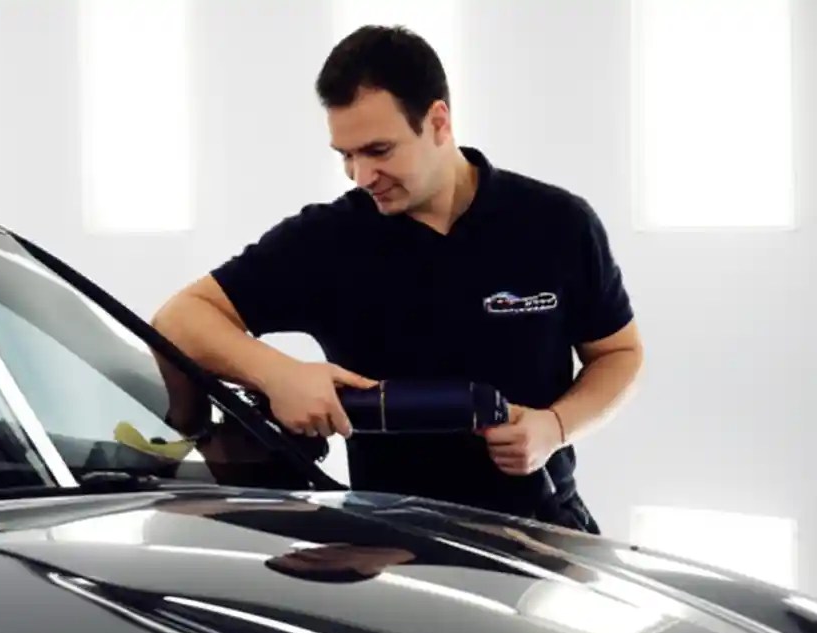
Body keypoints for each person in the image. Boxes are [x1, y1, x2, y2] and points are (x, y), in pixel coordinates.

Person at [150, 25, 644, 533]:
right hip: (391, 546)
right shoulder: (328, 240)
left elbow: (619, 354)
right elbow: (178, 319)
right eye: (345, 154)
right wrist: (279, 376)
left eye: (378, 150)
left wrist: (556, 426)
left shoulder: (556, 223)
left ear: (437, 122)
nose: (360, 176)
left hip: (544, 531)